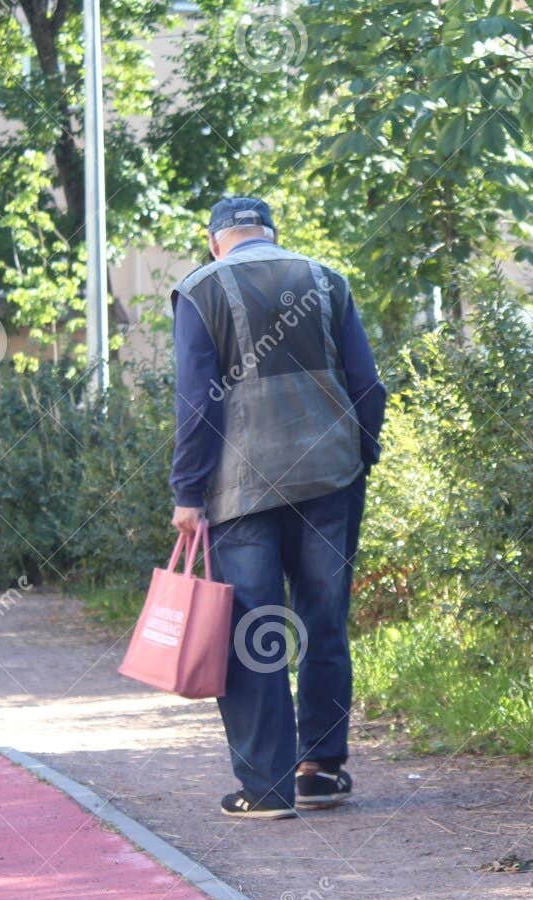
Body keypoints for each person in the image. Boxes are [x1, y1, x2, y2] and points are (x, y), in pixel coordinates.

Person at [169, 197, 387, 819]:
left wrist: (188, 490)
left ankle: (265, 788)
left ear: (216, 241)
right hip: (329, 478)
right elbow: (367, 383)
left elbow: (196, 400)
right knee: (324, 620)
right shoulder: (326, 280)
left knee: (254, 631)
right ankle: (319, 771)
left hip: (241, 490)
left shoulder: (199, 289)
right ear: (272, 235)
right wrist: (360, 454)